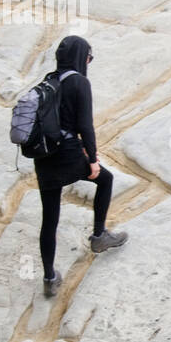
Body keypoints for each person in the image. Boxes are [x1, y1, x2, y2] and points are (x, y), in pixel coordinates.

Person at [35, 35, 127, 297]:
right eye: (89, 56)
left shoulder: (48, 80)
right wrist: (93, 160)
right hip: (66, 153)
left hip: (44, 157)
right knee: (105, 179)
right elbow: (85, 125)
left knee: (49, 219)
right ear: (79, 57)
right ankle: (99, 236)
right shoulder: (79, 82)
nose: (89, 61)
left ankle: (49, 278)